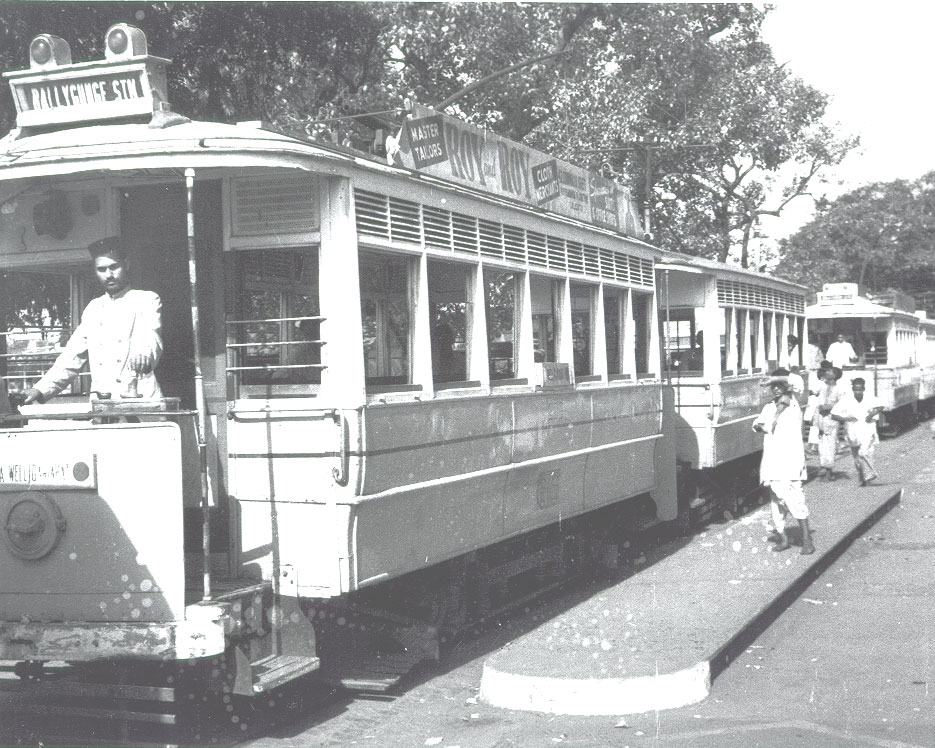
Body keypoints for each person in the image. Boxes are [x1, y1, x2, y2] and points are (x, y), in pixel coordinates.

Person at [16, 237, 162, 405]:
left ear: (126, 265)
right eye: (102, 269)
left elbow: (151, 335)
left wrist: (144, 353)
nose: (109, 275)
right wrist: (40, 389)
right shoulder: (93, 308)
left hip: (140, 400)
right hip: (103, 403)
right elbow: (72, 356)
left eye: (114, 267)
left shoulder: (146, 299)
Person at [753, 370, 815, 555]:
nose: (776, 389)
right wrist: (758, 426)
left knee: (795, 500)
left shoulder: (794, 403)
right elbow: (758, 423)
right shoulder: (769, 407)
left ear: (787, 387)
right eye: (773, 387)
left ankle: (806, 539)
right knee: (776, 501)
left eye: (779, 385)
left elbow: (797, 381)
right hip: (772, 462)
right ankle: (784, 539)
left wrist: (774, 377)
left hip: (790, 462)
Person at [831, 377, 884, 486]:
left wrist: (871, 414)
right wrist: (846, 419)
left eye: (860, 389)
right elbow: (834, 415)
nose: (857, 392)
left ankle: (869, 476)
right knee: (856, 457)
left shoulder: (870, 398)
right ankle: (862, 476)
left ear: (863, 389)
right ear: (853, 389)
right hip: (852, 431)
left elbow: (880, 406)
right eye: (855, 389)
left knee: (864, 452)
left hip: (867, 429)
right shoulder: (846, 400)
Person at [812, 366, 844, 481]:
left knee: (830, 445)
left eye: (829, 371)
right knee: (822, 445)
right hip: (821, 419)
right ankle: (824, 467)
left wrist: (829, 407)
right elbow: (814, 393)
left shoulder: (839, 389)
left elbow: (842, 404)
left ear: (835, 375)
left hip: (831, 419)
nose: (827, 372)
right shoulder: (822, 386)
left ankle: (829, 471)